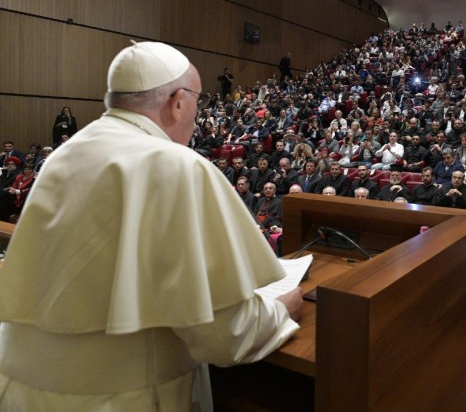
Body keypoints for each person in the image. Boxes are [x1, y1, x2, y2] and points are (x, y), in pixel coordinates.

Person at [0, 41, 302, 410]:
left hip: (18, 388)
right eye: (197, 101)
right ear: (177, 102)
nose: (197, 115)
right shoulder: (175, 164)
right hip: (118, 398)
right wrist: (283, 309)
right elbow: (225, 336)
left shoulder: (65, 154)